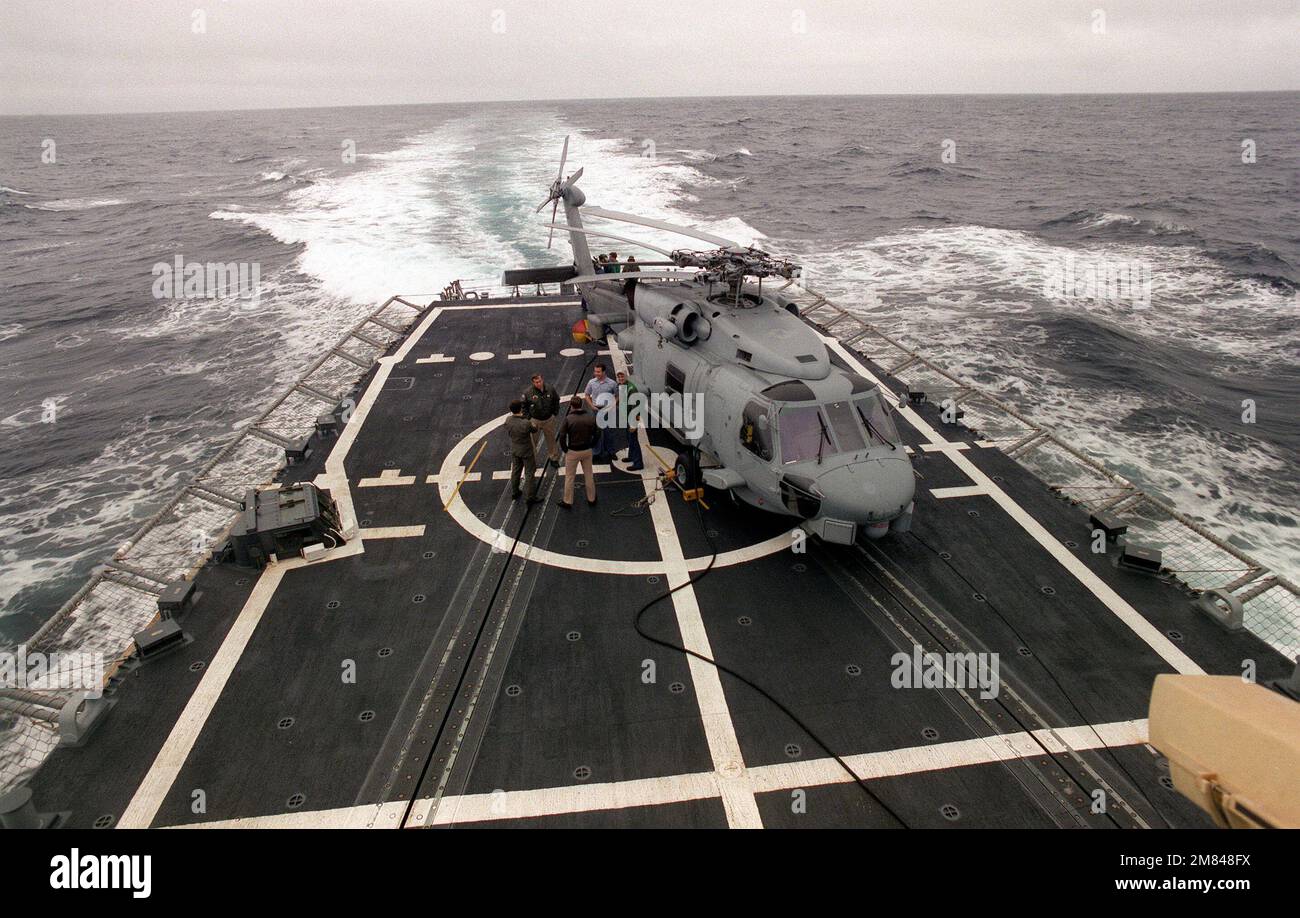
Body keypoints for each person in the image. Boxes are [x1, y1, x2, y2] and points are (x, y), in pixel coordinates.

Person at [557, 396, 598, 507]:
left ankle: (567, 501)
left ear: (571, 406)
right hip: (587, 450)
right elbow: (598, 433)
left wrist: (565, 449)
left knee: (570, 477)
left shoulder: (568, 419)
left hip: (573, 451)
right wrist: (592, 445)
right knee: (589, 475)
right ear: (581, 405)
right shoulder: (590, 417)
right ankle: (592, 498)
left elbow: (562, 436)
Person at [504, 400, 541, 503]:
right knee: (529, 473)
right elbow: (534, 429)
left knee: (516, 471)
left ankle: (515, 491)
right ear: (520, 409)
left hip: (515, 449)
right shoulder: (525, 423)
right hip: (526, 450)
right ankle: (530, 496)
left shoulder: (508, 420)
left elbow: (506, 427)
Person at [522, 373, 561, 463]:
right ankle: (532, 461)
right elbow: (524, 406)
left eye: (540, 381)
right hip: (535, 420)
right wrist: (529, 418)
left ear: (542, 380)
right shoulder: (528, 393)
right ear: (533, 383)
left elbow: (556, 400)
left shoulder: (550, 389)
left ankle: (554, 458)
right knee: (532, 442)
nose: (538, 383)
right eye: (536, 382)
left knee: (551, 440)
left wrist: (555, 413)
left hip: (548, 419)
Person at [615, 370, 644, 471]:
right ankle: (631, 456)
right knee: (629, 439)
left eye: (622, 377)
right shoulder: (622, 385)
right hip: (625, 416)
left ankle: (638, 462)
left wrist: (634, 424)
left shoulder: (632, 388)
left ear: (626, 377)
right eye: (619, 377)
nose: (621, 379)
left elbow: (636, 407)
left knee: (633, 440)